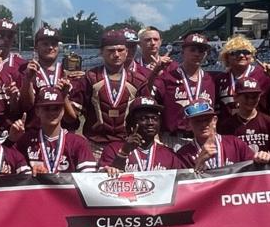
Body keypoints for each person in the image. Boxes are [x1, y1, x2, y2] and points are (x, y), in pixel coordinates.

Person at [72, 29, 148, 158]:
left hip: (127, 144)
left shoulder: (139, 80)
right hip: (96, 145)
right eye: (111, 50)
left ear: (127, 51)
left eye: (120, 50)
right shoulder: (90, 78)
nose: (116, 54)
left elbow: (146, 115)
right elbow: (74, 114)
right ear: (101, 52)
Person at [17, 87, 99, 174]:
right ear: (37, 111)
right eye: (46, 108)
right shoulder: (25, 141)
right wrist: (31, 172)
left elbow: (89, 178)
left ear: (63, 110)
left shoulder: (78, 142)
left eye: (56, 108)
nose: (52, 113)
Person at [213, 34, 270, 115]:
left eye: (246, 52)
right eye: (235, 52)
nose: (242, 55)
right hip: (227, 129)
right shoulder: (219, 80)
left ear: (252, 55)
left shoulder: (265, 75)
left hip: (258, 127)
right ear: (226, 57)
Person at [155, 32, 217, 144]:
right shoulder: (168, 77)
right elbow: (151, 102)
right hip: (174, 138)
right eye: (192, 50)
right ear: (183, 52)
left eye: (201, 51)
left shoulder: (211, 80)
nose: (197, 54)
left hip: (202, 139)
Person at [97, 95, 181, 172]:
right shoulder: (113, 149)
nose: (150, 122)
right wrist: (124, 152)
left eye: (155, 118)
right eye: (144, 118)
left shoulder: (169, 154)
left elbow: (179, 183)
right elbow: (102, 179)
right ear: (131, 122)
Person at [175, 101, 259, 170]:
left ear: (214, 121)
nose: (203, 124)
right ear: (189, 124)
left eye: (207, 120)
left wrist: (261, 159)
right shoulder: (183, 154)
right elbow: (184, 185)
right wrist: (199, 162)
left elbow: (254, 169)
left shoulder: (235, 143)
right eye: (197, 121)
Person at [217, 71, 270, 155]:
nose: (250, 100)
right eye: (246, 97)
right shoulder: (227, 125)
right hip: (238, 167)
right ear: (236, 97)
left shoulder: (269, 122)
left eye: (254, 97)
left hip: (263, 167)